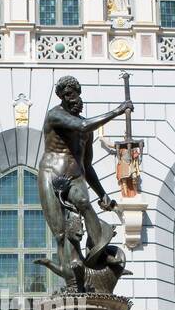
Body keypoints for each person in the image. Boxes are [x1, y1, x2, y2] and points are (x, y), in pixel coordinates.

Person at [37, 76, 132, 292]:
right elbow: (81, 125)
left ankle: (99, 253)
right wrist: (118, 111)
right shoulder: (55, 115)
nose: (73, 98)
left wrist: (102, 194)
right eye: (68, 95)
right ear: (61, 97)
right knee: (61, 232)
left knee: (84, 203)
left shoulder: (85, 130)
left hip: (75, 174)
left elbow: (87, 165)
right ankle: (73, 281)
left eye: (75, 93)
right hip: (52, 174)